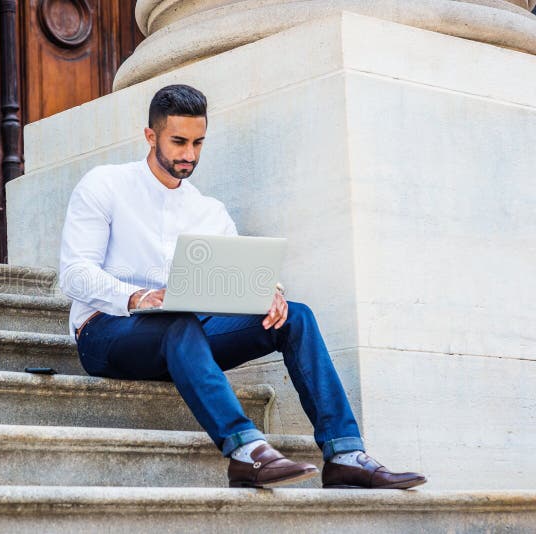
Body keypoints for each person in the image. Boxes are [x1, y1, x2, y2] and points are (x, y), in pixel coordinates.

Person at [58, 84, 427, 489]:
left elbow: (236, 278)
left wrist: (267, 293)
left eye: (198, 142)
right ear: (150, 136)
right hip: (105, 332)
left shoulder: (209, 211)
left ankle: (344, 455)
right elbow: (74, 272)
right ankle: (245, 451)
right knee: (177, 323)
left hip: (186, 340)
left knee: (295, 317)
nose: (189, 154)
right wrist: (136, 296)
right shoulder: (104, 185)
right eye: (178, 142)